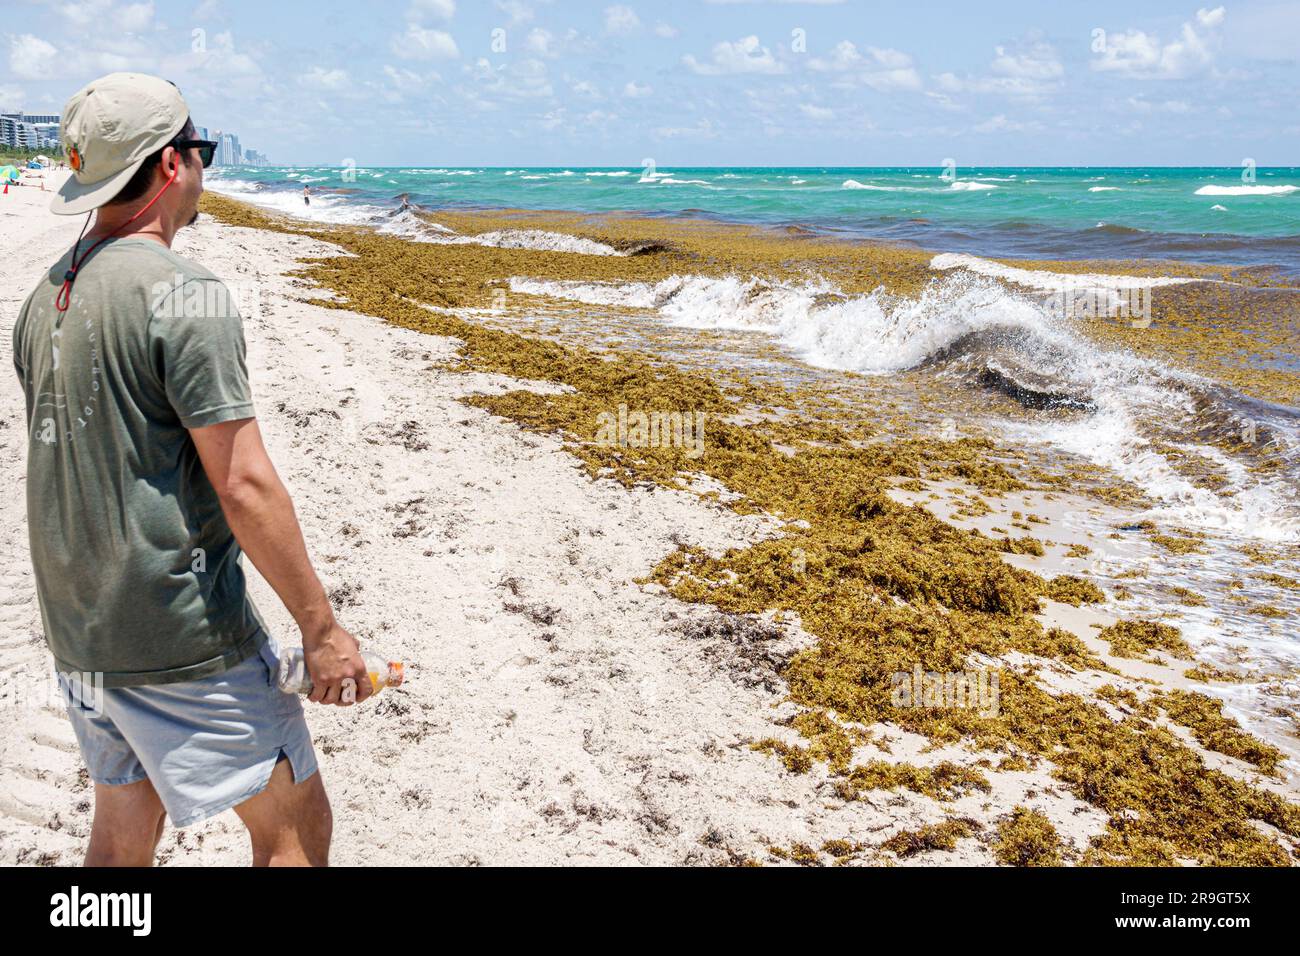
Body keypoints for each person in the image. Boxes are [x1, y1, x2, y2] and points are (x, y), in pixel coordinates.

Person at [11, 72, 372, 866]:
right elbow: (242, 481)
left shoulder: (45, 296)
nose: (202, 165)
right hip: (180, 633)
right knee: (294, 826)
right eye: (199, 150)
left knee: (119, 836)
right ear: (172, 165)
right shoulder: (186, 294)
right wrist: (321, 629)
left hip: (82, 632)